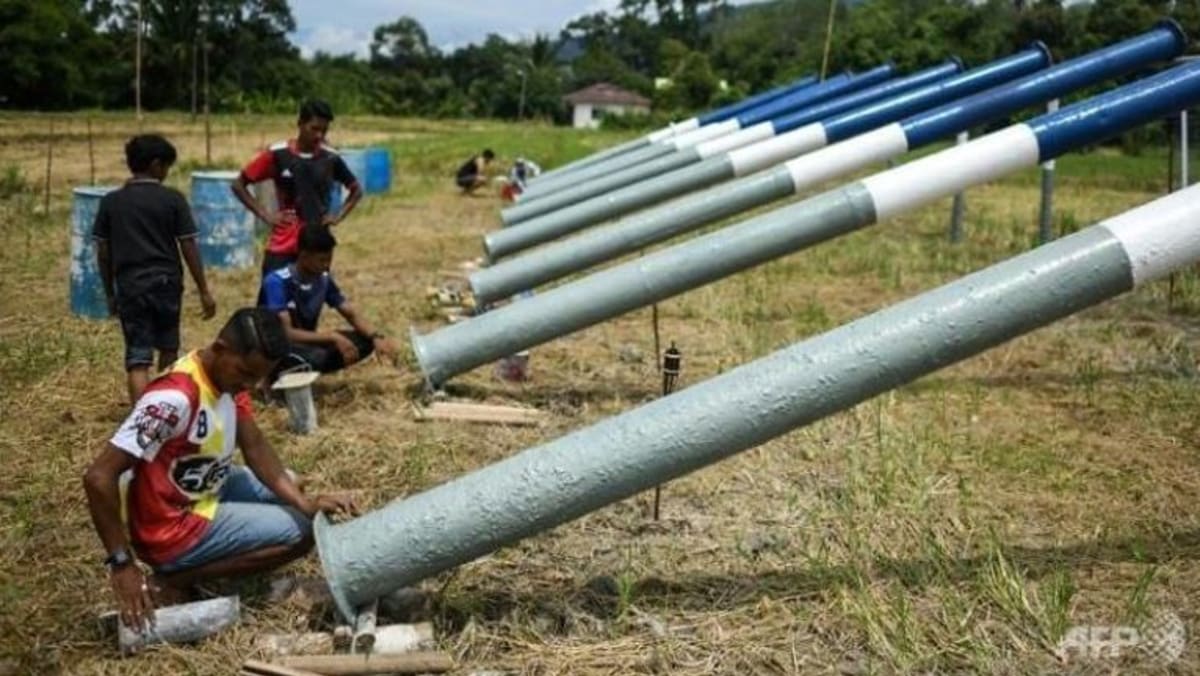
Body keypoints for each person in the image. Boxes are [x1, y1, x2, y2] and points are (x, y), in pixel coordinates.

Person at [82, 308, 357, 632]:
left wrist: (303, 502)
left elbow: (255, 446)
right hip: (170, 524)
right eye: (246, 373)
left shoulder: (228, 381)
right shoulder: (173, 399)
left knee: (292, 486)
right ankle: (174, 579)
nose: (250, 384)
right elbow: (98, 477)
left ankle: (223, 539)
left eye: (257, 377)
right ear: (221, 348)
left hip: (204, 487)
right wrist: (122, 564)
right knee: (301, 532)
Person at [93, 133, 218, 404]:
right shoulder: (173, 199)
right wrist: (203, 289)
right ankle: (165, 409)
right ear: (156, 164)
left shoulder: (111, 202)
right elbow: (188, 245)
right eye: (167, 167)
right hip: (167, 284)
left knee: (138, 359)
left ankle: (141, 417)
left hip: (130, 285)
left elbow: (103, 252)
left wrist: (110, 291)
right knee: (169, 350)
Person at [230, 99, 362, 295]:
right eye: (314, 129)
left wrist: (338, 216)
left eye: (324, 130)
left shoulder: (330, 158)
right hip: (283, 244)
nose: (319, 135)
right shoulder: (278, 155)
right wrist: (266, 215)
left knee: (309, 305)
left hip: (316, 246)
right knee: (272, 304)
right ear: (300, 124)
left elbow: (356, 190)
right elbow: (238, 184)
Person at [261, 226, 397, 379]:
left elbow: (349, 313)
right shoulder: (277, 282)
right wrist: (332, 337)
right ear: (304, 256)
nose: (327, 265)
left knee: (364, 342)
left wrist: (375, 337)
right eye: (322, 260)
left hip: (305, 344)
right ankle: (276, 376)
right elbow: (286, 334)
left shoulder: (323, 279)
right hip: (278, 349)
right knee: (316, 357)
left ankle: (307, 369)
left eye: (329, 260)